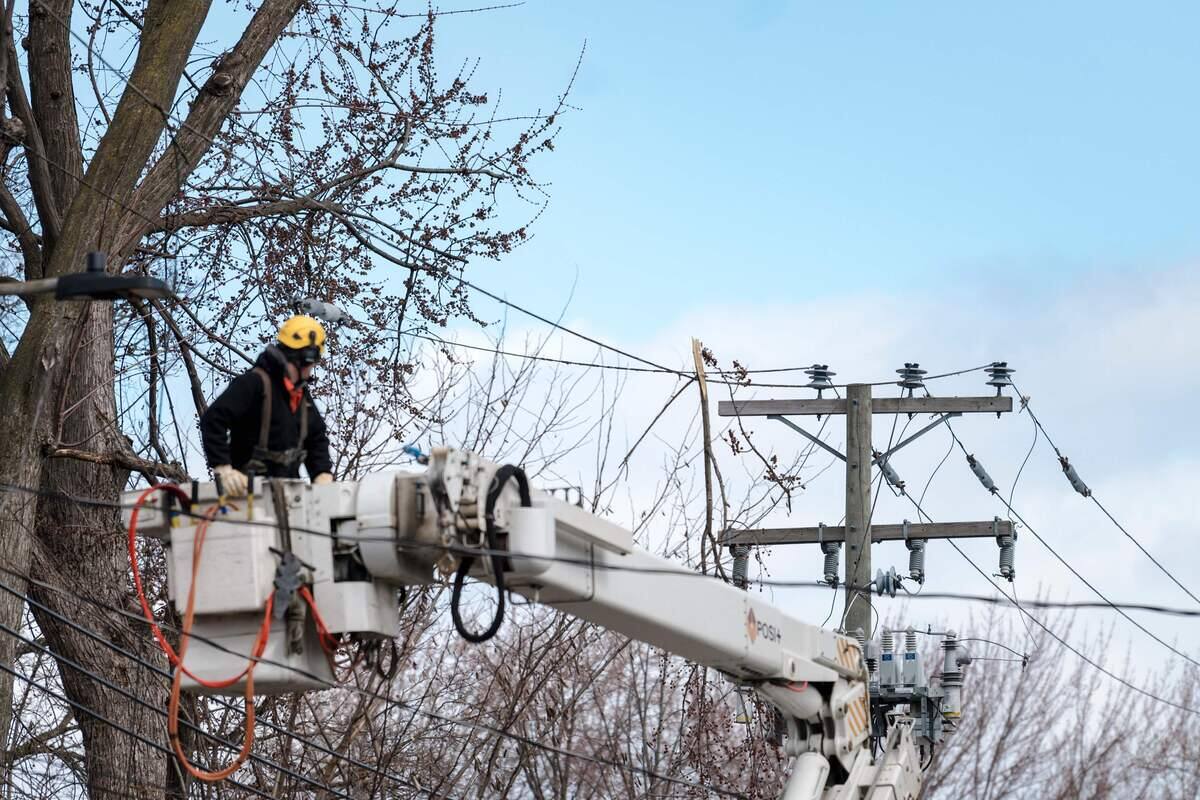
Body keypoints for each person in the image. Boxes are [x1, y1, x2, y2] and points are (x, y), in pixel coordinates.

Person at [200, 315, 334, 496]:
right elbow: (214, 419)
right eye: (313, 362)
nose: (312, 368)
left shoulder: (301, 396)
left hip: (287, 492)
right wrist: (222, 466)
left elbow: (316, 437)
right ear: (304, 358)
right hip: (247, 492)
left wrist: (321, 473)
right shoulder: (255, 384)